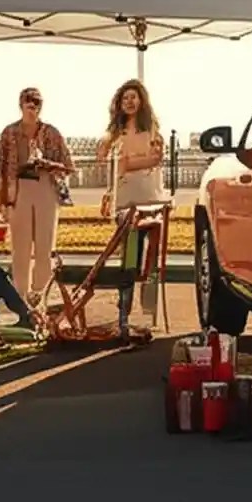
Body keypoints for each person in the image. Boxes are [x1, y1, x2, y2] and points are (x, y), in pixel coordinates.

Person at [97, 79, 166, 338]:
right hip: (126, 204)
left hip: (150, 202)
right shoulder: (115, 134)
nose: (129, 102)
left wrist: (130, 162)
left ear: (141, 101)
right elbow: (110, 163)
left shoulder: (152, 131)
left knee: (151, 261)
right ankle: (123, 313)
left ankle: (149, 312)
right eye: (125, 98)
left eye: (133, 97)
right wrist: (111, 188)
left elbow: (155, 159)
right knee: (130, 258)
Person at [0, 88, 73, 300]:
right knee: (20, 248)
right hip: (19, 188)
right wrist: (2, 199)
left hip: (45, 187)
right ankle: (21, 296)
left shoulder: (52, 133)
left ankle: (40, 295)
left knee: (44, 246)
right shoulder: (10, 133)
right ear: (21, 106)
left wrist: (46, 163)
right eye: (29, 105)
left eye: (37, 105)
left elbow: (67, 165)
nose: (33, 109)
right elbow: (1, 168)